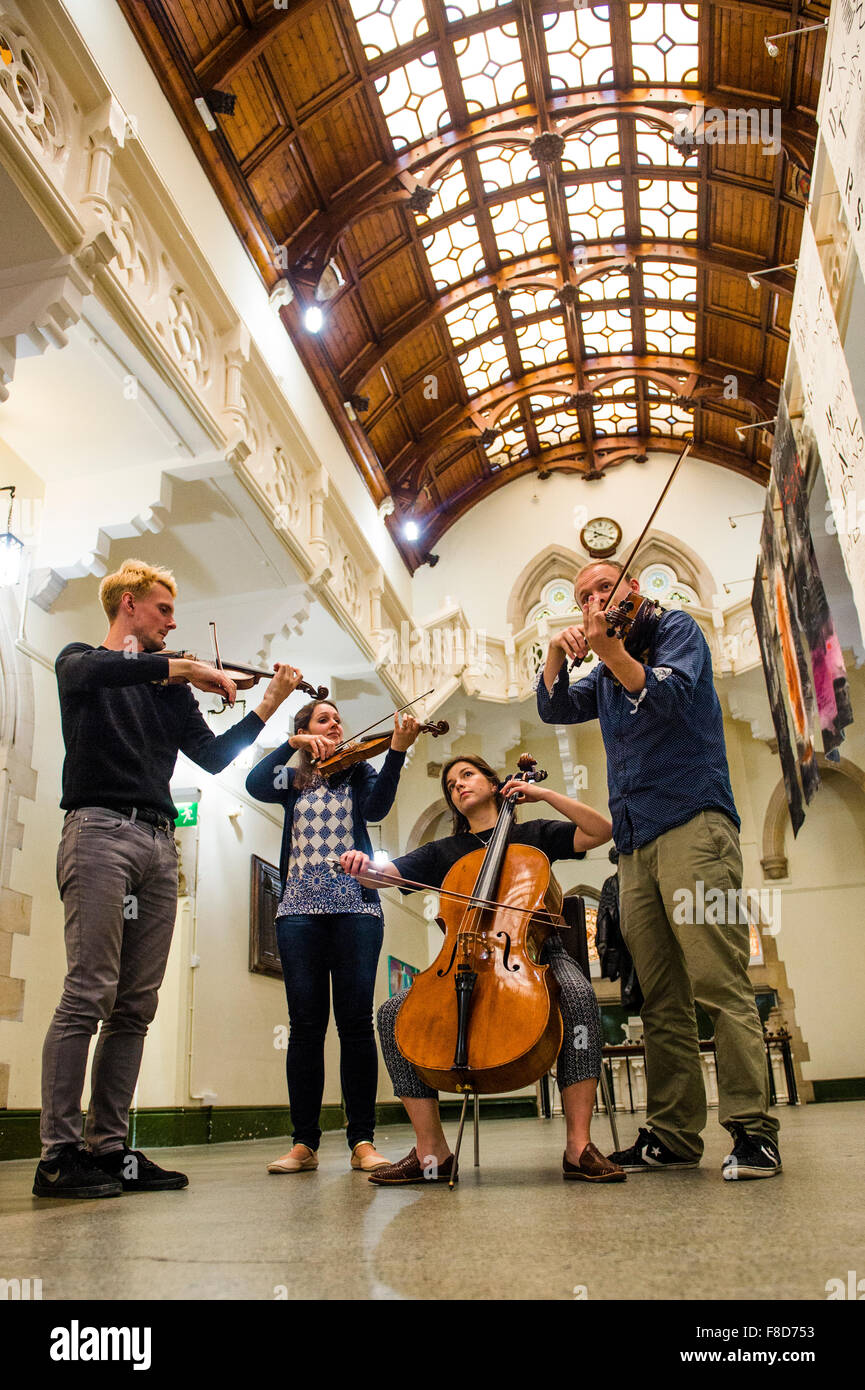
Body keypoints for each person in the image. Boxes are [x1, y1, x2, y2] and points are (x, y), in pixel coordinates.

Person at [34, 559, 303, 1199]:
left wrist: (264, 705)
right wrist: (184, 665)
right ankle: (57, 1155)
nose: (172, 622)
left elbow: (210, 757)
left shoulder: (166, 690)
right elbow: (95, 668)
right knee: (89, 991)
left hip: (160, 842)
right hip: (99, 831)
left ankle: (110, 1149)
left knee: (135, 1005)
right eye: (162, 609)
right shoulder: (81, 662)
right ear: (128, 604)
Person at [538, 560, 781, 1180]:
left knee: (719, 982)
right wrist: (554, 656)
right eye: (582, 596)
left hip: (695, 825)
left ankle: (754, 1132)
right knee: (660, 998)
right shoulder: (603, 661)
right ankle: (674, 1133)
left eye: (602, 589)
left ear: (632, 590)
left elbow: (666, 695)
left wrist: (610, 652)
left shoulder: (676, 630)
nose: (592, 601)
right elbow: (555, 708)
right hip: (634, 844)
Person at [340, 754, 625, 1186]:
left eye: (467, 776)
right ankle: (430, 1150)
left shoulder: (532, 837)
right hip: (461, 960)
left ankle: (578, 1147)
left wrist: (541, 793)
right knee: (391, 1013)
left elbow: (600, 832)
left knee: (580, 998)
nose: (457, 786)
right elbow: (386, 877)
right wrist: (364, 869)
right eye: (451, 783)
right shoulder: (445, 852)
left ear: (494, 784)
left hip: (537, 952)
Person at [246, 699, 419, 1175]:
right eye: (323, 719)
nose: (335, 723)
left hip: (356, 911)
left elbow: (380, 805)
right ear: (305, 730)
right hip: (298, 912)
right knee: (304, 1028)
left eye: (337, 719)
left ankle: (362, 1141)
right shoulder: (295, 780)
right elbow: (254, 783)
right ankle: (304, 1142)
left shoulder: (357, 773)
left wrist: (398, 752)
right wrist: (291, 744)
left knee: (355, 1025)